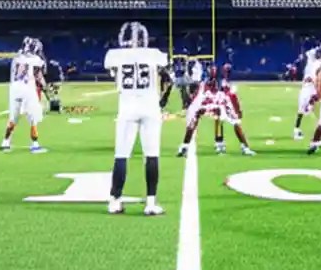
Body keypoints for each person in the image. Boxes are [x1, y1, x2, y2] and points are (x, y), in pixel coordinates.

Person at [104, 22, 168, 216]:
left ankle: (115, 200)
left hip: (127, 107)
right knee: (152, 154)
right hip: (150, 107)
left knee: (121, 155)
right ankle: (150, 203)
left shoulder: (114, 55)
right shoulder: (154, 54)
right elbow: (164, 71)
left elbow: (113, 72)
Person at [177, 67, 255, 157]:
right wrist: (238, 110)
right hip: (210, 97)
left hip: (212, 97)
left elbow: (231, 95)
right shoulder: (215, 82)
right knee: (232, 120)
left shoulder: (217, 82)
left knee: (229, 119)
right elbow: (232, 95)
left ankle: (186, 147)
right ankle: (242, 147)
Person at [1, 37, 47, 153]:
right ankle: (35, 143)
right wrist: (45, 86)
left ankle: (5, 142)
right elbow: (39, 76)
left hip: (14, 89)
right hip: (28, 88)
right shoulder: (35, 59)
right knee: (33, 117)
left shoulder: (17, 58)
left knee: (13, 118)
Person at [293, 41, 321, 140]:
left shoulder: (311, 62)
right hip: (312, 88)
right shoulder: (318, 63)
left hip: (308, 88)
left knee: (303, 111)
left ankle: (297, 130)